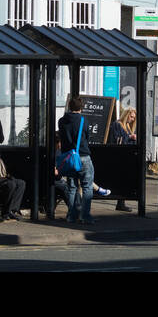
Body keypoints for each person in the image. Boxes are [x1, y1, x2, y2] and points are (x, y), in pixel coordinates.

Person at [57, 95, 96, 224]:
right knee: (87, 187)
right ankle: (85, 216)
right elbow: (87, 136)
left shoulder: (61, 121)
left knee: (72, 187)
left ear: (69, 106)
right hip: (83, 156)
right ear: (81, 108)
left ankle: (71, 216)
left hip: (69, 158)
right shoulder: (83, 120)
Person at [109, 108, 137, 211]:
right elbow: (116, 139)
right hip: (119, 155)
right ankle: (120, 202)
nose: (132, 119)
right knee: (120, 179)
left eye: (134, 117)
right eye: (131, 116)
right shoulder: (118, 124)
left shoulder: (128, 126)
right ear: (126, 115)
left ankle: (121, 202)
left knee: (124, 180)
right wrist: (130, 137)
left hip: (127, 155)